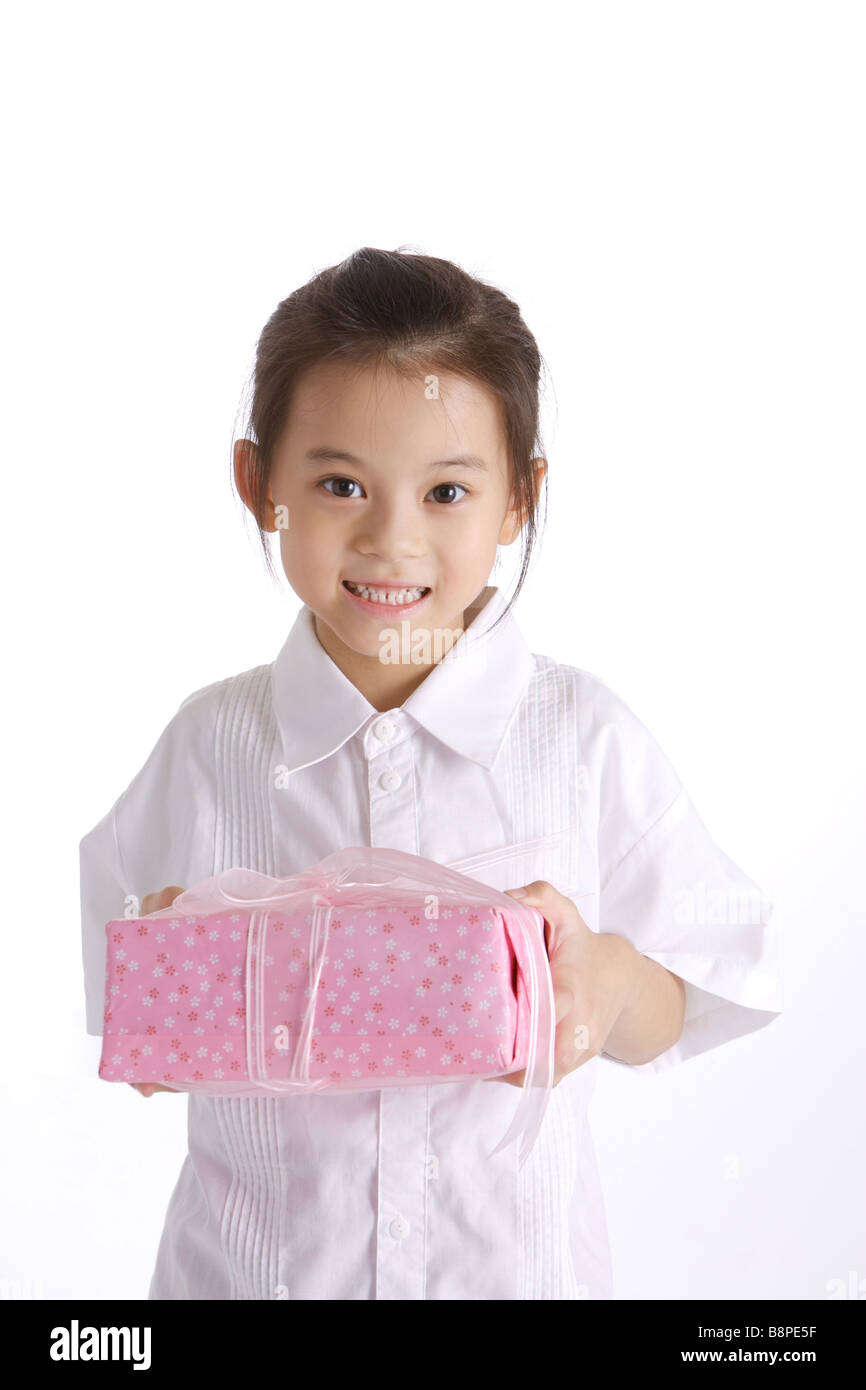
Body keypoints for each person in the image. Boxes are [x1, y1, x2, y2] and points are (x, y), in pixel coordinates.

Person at [79, 246, 783, 1300]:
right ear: (257, 485)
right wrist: (173, 986)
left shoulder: (579, 738)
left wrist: (609, 984)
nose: (389, 538)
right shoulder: (211, 744)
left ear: (517, 502)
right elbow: (125, 996)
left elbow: (709, 978)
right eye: (337, 483)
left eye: (446, 490)